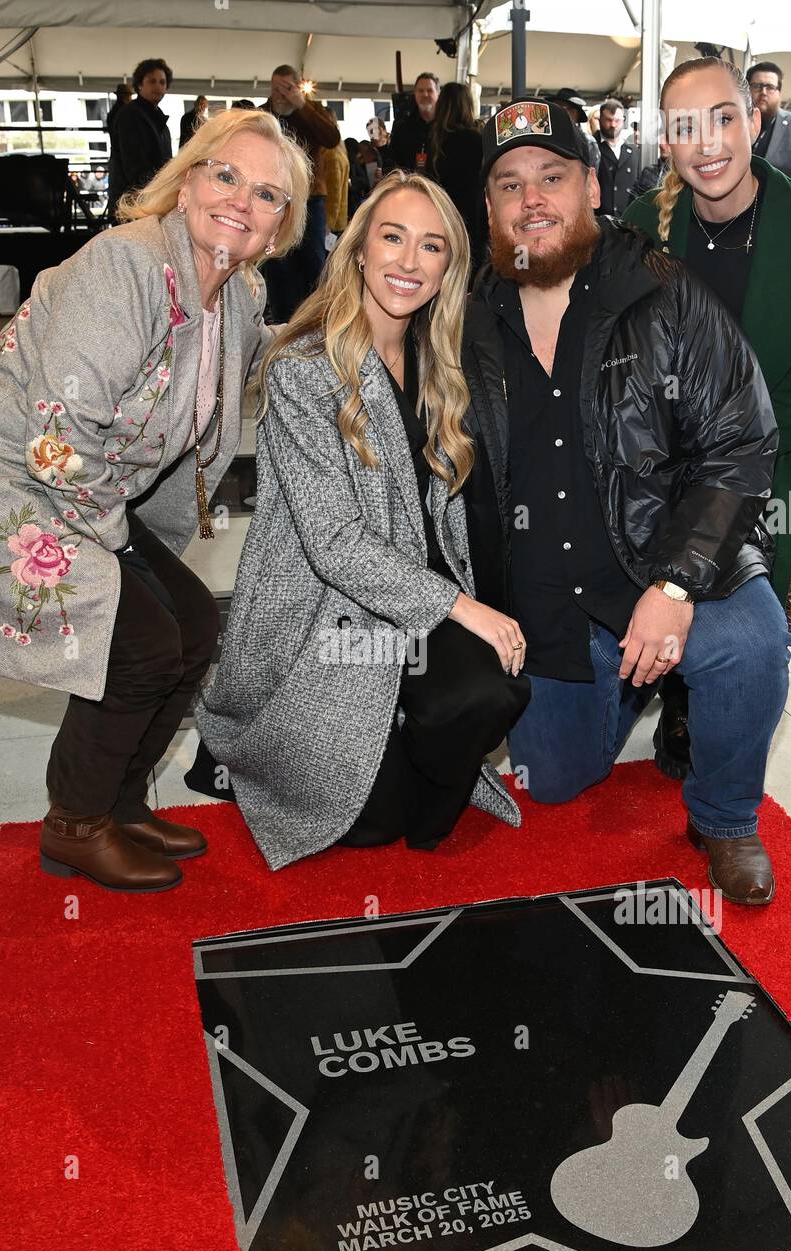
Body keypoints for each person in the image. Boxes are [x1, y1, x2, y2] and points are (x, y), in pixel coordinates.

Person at [0, 110, 312, 892]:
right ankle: (74, 826)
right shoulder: (127, 267)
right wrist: (118, 544)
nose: (240, 199)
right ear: (188, 182)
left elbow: (252, 347)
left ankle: (121, 803)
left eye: (267, 193)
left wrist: (341, 328)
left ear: (279, 229)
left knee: (195, 627)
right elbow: (58, 436)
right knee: (135, 642)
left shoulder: (236, 292)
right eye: (225, 174)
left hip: (69, 479)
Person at [462, 98, 791, 906]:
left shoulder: (664, 293)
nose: (531, 198)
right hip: (547, 607)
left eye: (552, 176)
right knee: (554, 783)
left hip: (660, 560)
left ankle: (724, 815)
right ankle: (646, 682)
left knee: (752, 642)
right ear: (491, 208)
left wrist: (678, 584)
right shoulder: (464, 312)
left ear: (593, 187)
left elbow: (744, 442)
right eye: (510, 183)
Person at [191, 171, 530, 869]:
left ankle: (407, 736)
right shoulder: (304, 365)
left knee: (488, 693)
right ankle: (310, 742)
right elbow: (334, 543)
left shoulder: (440, 357)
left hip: (415, 584)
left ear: (449, 267)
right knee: (365, 822)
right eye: (393, 238)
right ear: (357, 249)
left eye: (431, 247)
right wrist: (465, 608)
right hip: (327, 608)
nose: (409, 263)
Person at [623, 58, 791, 787]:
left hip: (759, 445)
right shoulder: (639, 222)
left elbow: (766, 373)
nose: (708, 142)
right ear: (666, 140)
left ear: (755, 121)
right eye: (686, 126)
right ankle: (671, 685)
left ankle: (715, 734)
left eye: (724, 117)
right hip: (658, 446)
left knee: (753, 608)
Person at [259, 64, 341, 322]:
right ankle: (283, 323)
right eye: (275, 89)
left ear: (298, 87)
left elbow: (331, 138)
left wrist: (302, 105)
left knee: (313, 263)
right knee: (278, 264)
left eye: (286, 88)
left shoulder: (313, 111)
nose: (280, 95)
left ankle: (316, 321)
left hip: (310, 200)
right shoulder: (264, 114)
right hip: (274, 199)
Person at [107, 59, 174, 214]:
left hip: (147, 198)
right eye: (152, 81)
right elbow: (135, 168)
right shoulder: (131, 115)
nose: (158, 86)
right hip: (133, 202)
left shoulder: (155, 116)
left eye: (162, 82)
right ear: (140, 85)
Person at [430, 80, 485, 270]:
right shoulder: (476, 139)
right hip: (473, 213)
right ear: (467, 105)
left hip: (440, 211)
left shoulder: (434, 139)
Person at [747, 62, 791, 186]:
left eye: (770, 87)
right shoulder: (729, 122)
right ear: (747, 89)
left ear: (779, 92)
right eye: (757, 86)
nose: (763, 92)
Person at [594, 98, 642, 216]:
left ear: (623, 120)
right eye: (608, 120)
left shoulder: (633, 150)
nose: (613, 125)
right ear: (600, 120)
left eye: (617, 120)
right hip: (599, 220)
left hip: (627, 220)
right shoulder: (591, 146)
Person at [389, 73, 440, 173]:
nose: (425, 94)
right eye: (421, 91)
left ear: (438, 93)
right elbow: (392, 160)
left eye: (429, 90)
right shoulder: (402, 127)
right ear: (415, 94)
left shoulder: (446, 127)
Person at [549, 88, 601, 169]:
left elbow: (592, 173)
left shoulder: (588, 142)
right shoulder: (545, 137)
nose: (554, 112)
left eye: (561, 108)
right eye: (554, 107)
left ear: (574, 113)